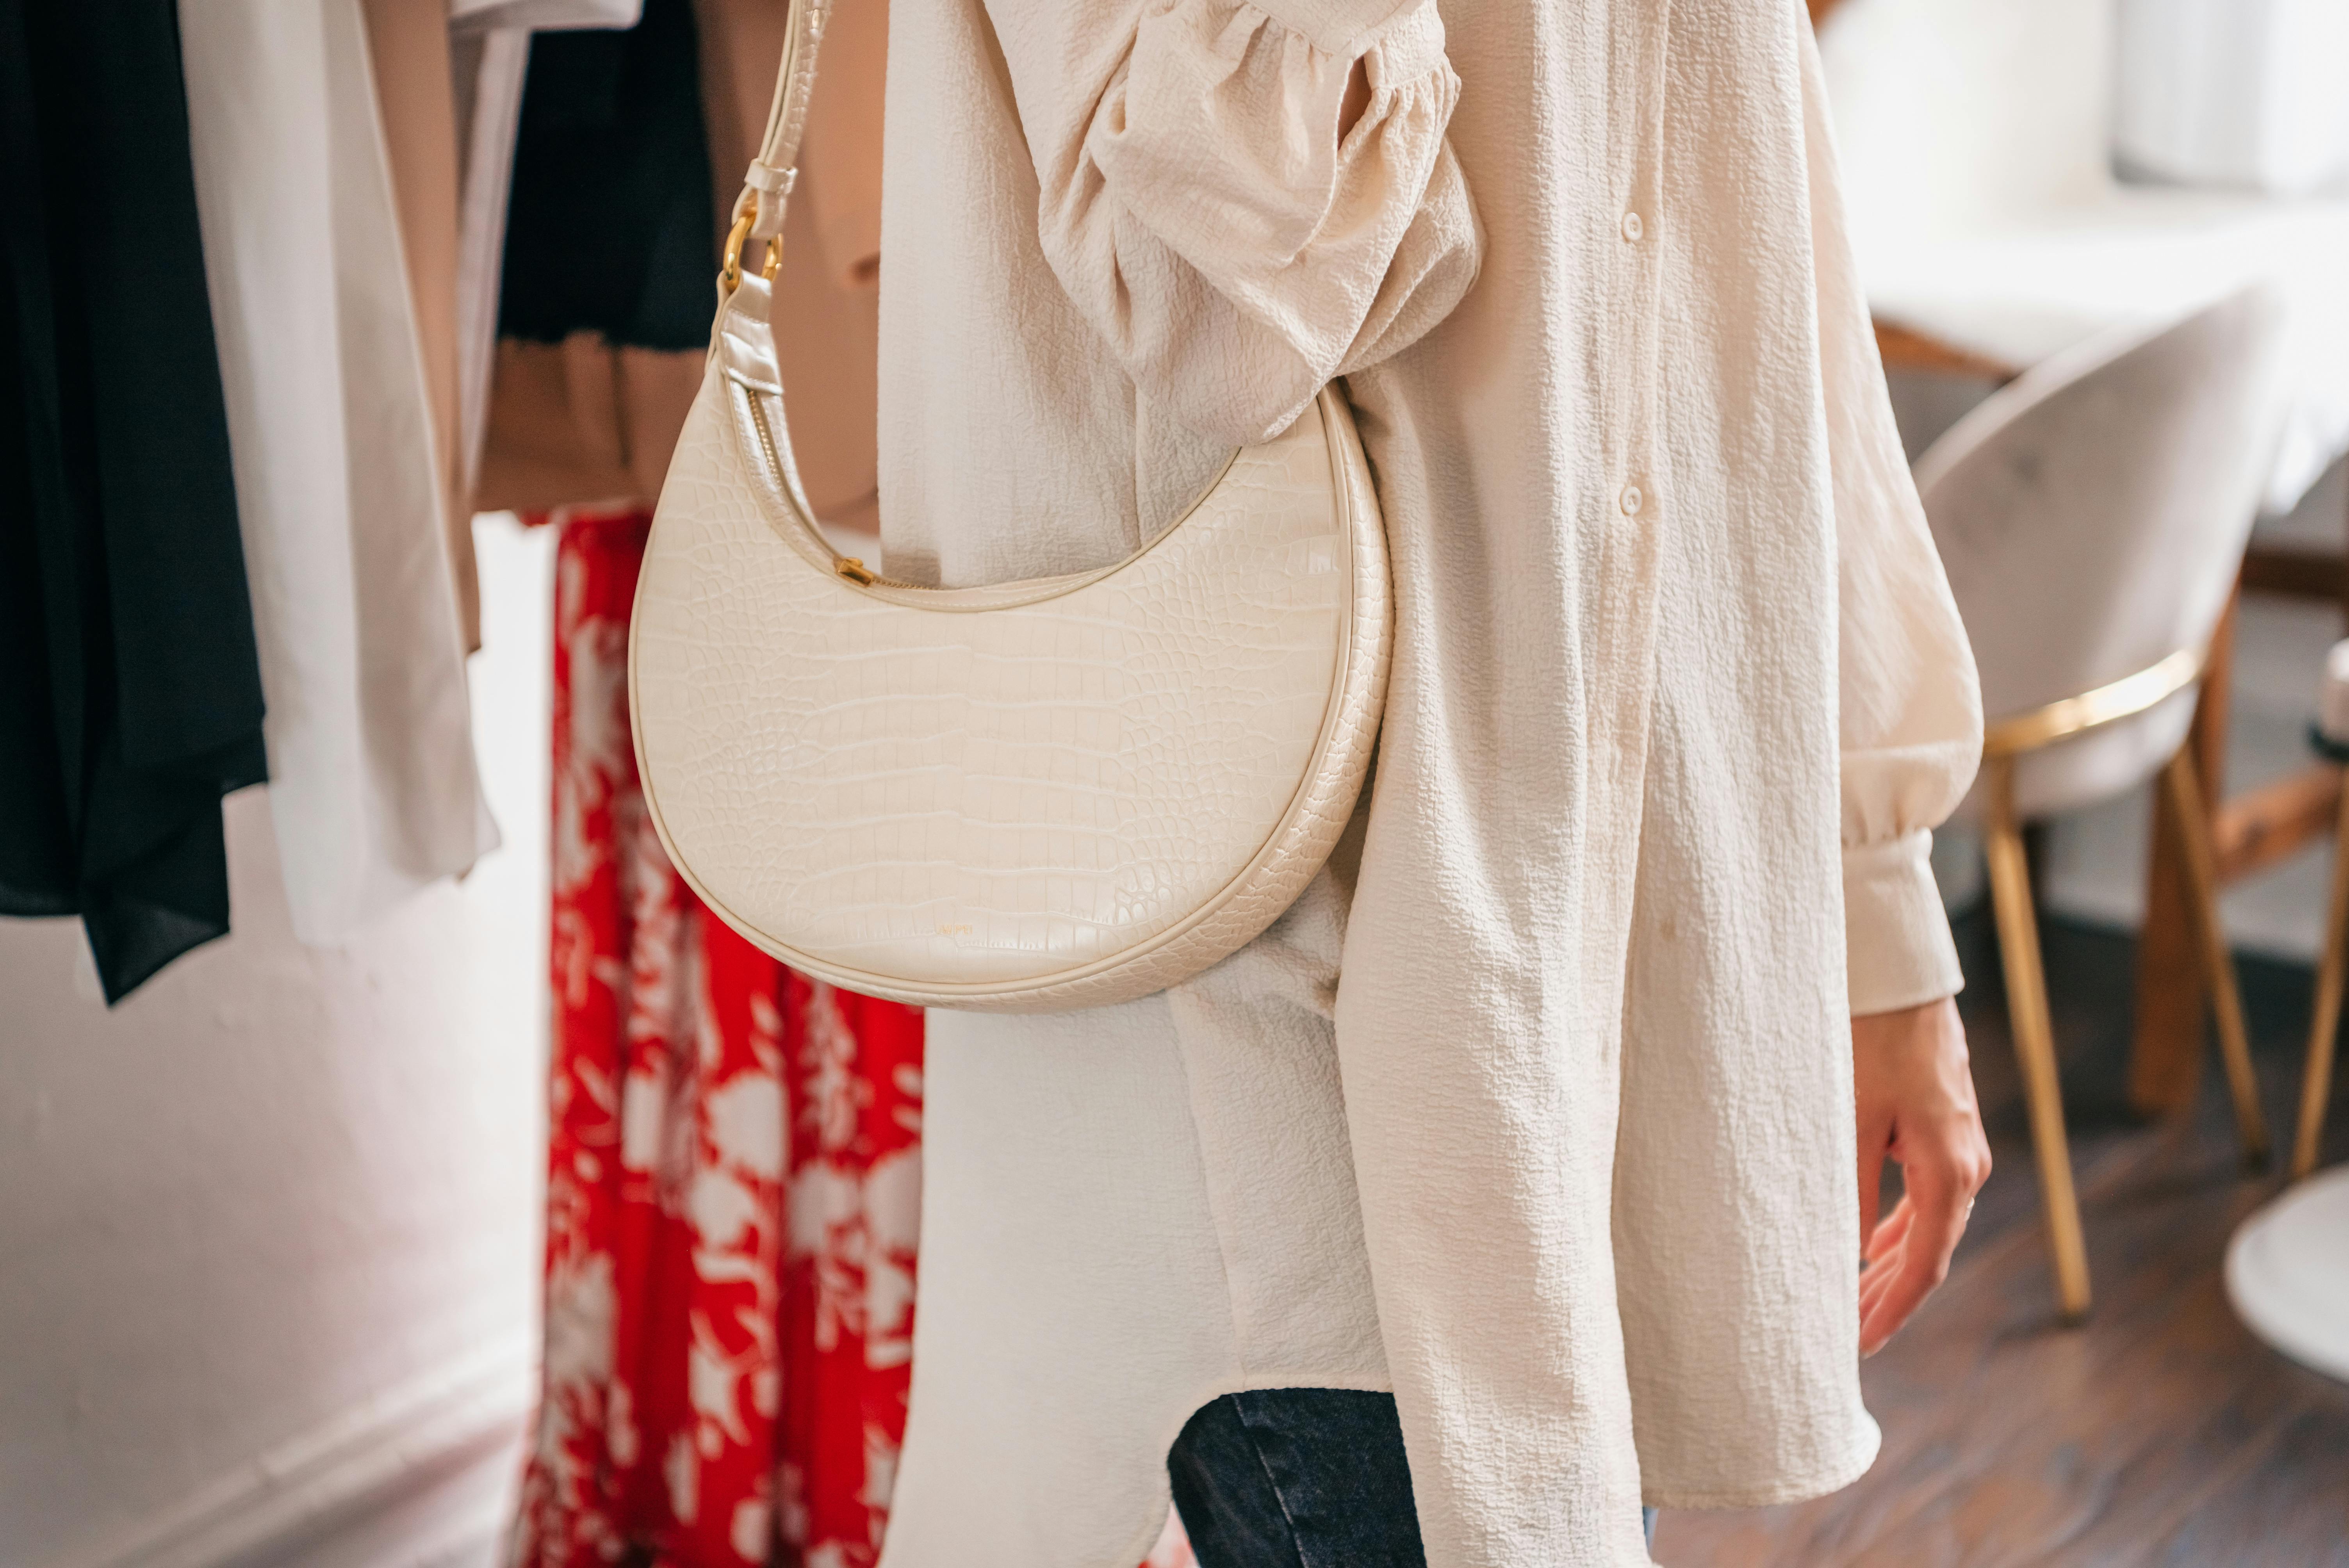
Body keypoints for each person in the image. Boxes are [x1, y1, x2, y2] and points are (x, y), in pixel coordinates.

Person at [862, 0, 1992, 1563]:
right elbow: (1217, 288)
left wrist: (1875, 892)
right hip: (1296, 976)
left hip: (1612, 936)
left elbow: (1753, 220)